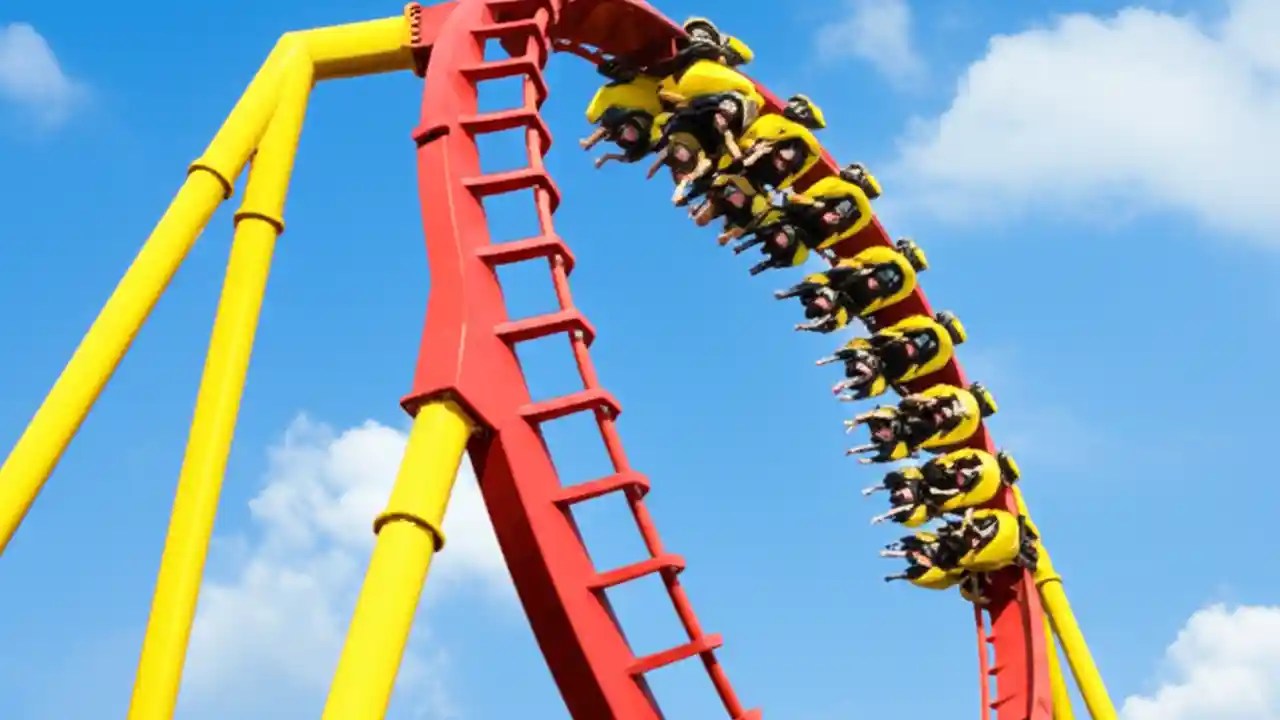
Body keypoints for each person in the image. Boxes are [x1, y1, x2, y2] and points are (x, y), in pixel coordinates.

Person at [772, 240, 928, 330]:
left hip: (846, 282)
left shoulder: (887, 253)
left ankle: (787, 293)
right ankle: (807, 322)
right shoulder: (909, 286)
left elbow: (858, 260)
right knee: (841, 319)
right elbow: (886, 302)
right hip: (858, 305)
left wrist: (837, 264)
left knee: (821, 279)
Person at [817, 311, 967, 400]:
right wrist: (898, 380)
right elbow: (923, 370)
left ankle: (837, 361)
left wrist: (876, 336)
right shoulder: (945, 356)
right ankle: (850, 393)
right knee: (881, 385)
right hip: (901, 369)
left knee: (860, 343)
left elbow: (900, 328)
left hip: (891, 348)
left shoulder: (927, 322)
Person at [845, 382, 997, 463]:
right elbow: (946, 443)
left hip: (920, 423)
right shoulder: (971, 426)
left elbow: (926, 395)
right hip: (922, 430)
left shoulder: (955, 392)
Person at [865, 448, 1018, 526]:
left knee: (935, 478)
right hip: (950, 491)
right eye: (901, 497)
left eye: (900, 493)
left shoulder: (921, 480)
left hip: (949, 483)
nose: (902, 494)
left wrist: (873, 490)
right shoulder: (927, 499)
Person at [580, 73, 665, 168]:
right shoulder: (653, 130)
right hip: (653, 90)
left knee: (599, 117)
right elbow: (628, 156)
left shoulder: (616, 116)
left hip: (649, 87)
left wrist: (600, 153)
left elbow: (605, 127)